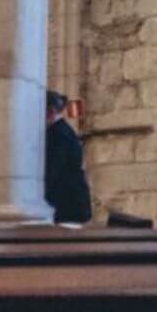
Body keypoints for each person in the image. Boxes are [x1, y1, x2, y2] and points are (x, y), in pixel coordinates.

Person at [44, 90, 93, 224]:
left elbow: (53, 171)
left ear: (50, 111)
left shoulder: (59, 134)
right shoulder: (61, 130)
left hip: (68, 205)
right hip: (68, 203)